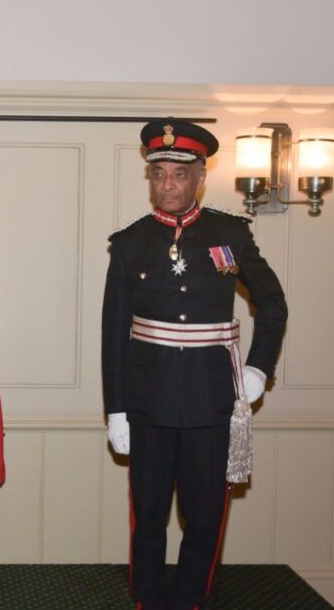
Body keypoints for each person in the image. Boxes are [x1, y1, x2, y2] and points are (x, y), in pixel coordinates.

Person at [102, 119, 288, 610]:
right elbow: (113, 334)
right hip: (148, 406)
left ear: (199, 177)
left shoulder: (230, 234)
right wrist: (116, 410)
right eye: (158, 173)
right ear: (149, 178)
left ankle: (190, 601)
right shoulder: (129, 244)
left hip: (211, 403)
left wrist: (256, 369)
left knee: (205, 517)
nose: (168, 184)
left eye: (179, 175)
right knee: (148, 517)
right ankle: (148, 600)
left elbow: (273, 304)